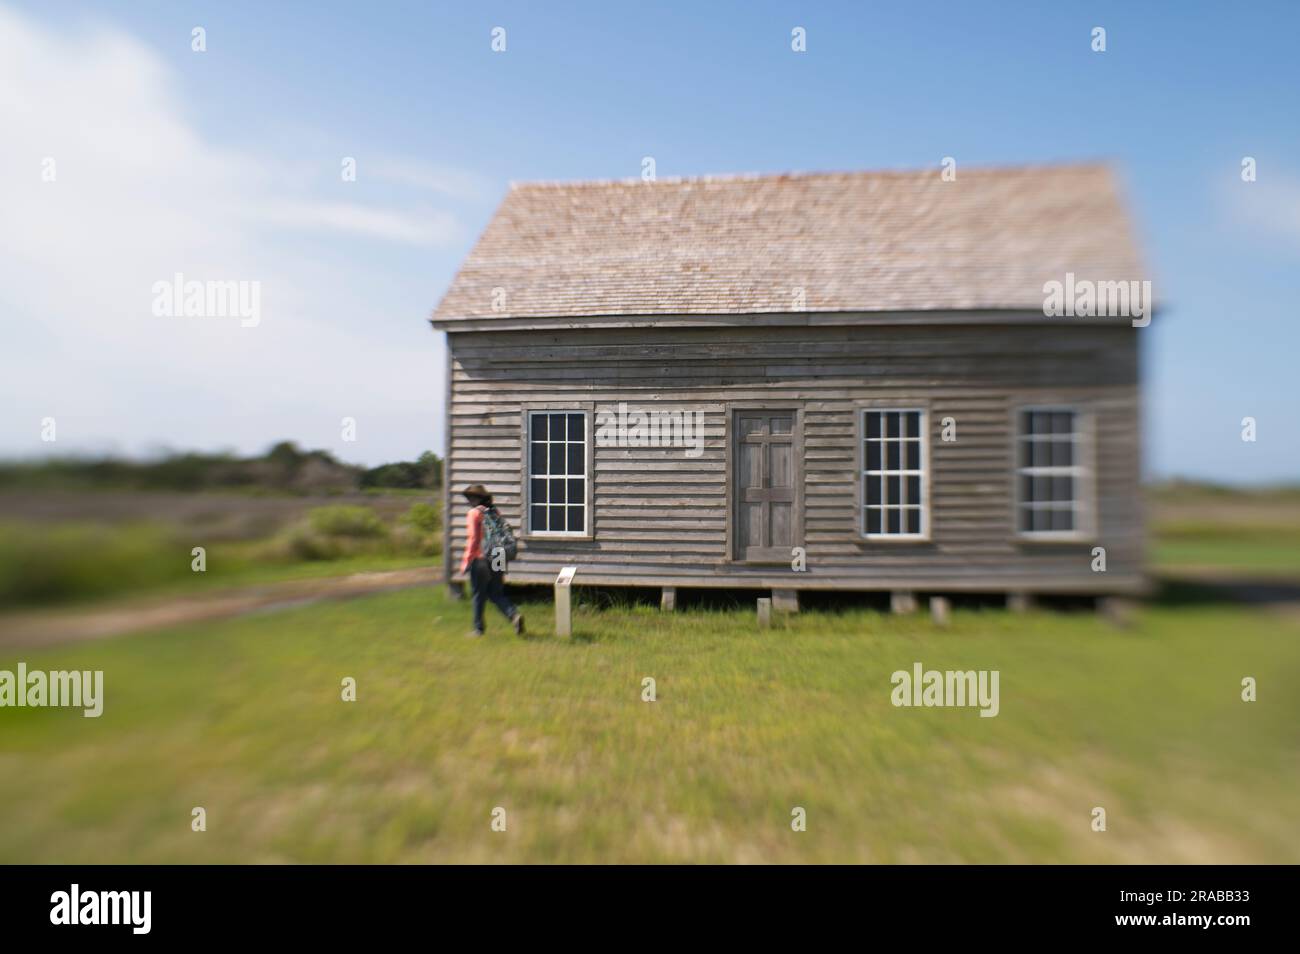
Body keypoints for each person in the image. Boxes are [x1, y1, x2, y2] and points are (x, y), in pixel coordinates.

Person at [457, 484, 524, 638]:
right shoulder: (494, 511)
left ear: (476, 498)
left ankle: (478, 629)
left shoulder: (474, 513)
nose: (469, 500)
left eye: (470, 497)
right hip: (499, 554)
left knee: (478, 594)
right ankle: (514, 615)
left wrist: (466, 562)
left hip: (482, 558)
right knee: (496, 593)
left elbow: (473, 539)